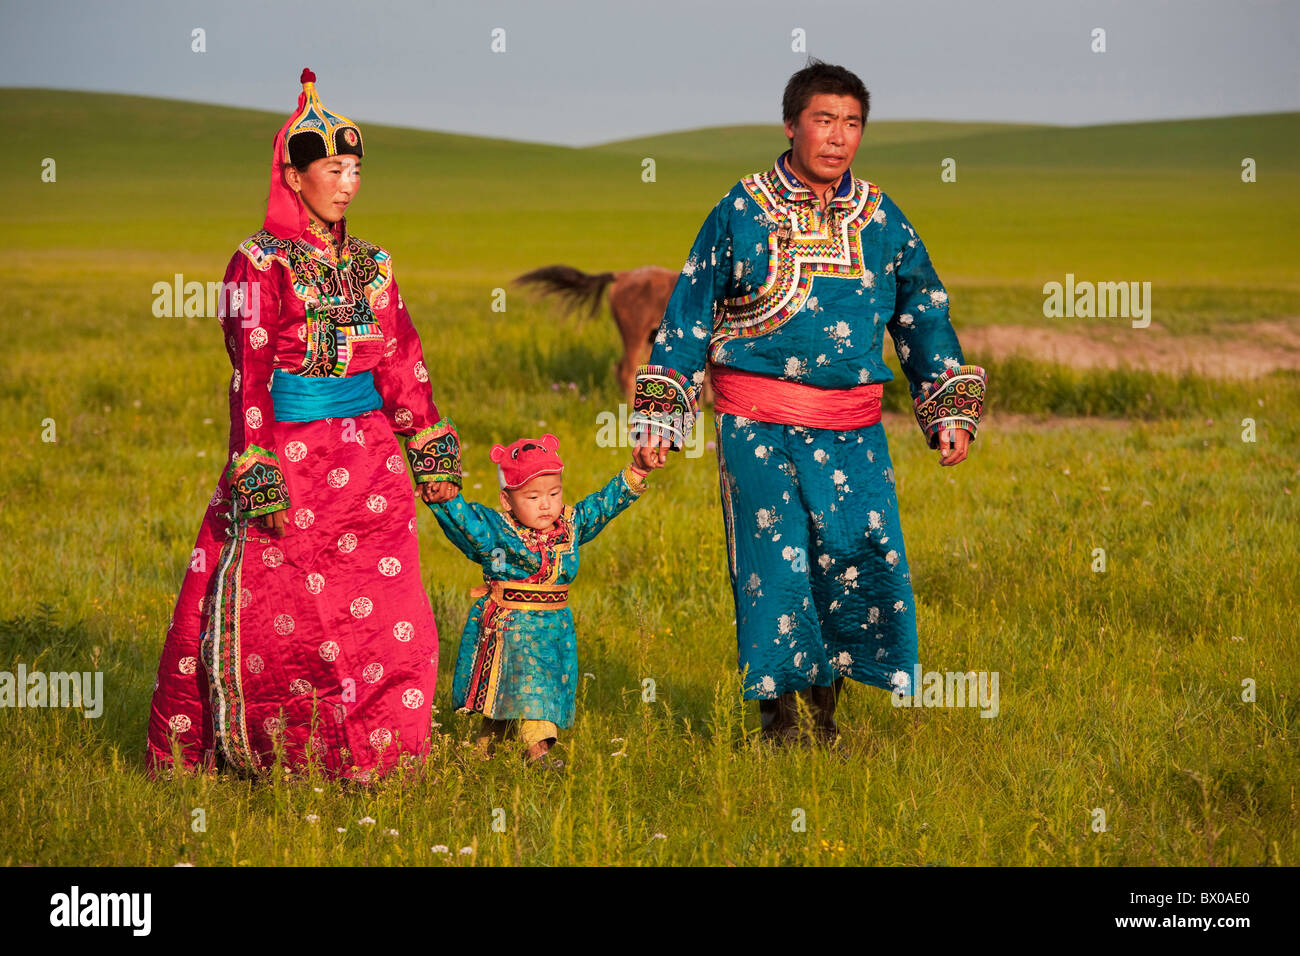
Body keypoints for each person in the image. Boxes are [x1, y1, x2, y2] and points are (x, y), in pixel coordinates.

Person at [630, 60, 986, 744]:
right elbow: (689, 314)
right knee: (777, 566)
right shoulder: (740, 209)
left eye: (852, 123)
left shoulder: (881, 218)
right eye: (824, 120)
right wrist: (660, 418)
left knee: (853, 560)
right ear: (791, 125)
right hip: (758, 425)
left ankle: (826, 718)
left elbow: (924, 312)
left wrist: (946, 410)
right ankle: (779, 723)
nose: (838, 137)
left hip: (854, 428)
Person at [147, 69, 462, 781]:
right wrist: (255, 467)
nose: (347, 183)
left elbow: (403, 363)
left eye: (355, 169)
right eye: (331, 169)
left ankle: (387, 760)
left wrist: (428, 445)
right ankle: (284, 757)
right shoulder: (258, 266)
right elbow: (249, 379)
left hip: (373, 467)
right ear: (293, 176)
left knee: (391, 618)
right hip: (291, 464)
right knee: (290, 623)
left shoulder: (375, 265)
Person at [426, 434, 655, 768]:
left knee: (504, 702)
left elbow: (603, 505)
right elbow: (466, 523)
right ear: (507, 500)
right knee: (534, 687)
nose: (546, 505)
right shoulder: (497, 530)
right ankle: (539, 754)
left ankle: (479, 760)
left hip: (555, 630)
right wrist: (444, 498)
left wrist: (637, 471)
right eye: (532, 496)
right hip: (511, 628)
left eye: (554, 493)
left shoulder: (570, 525)